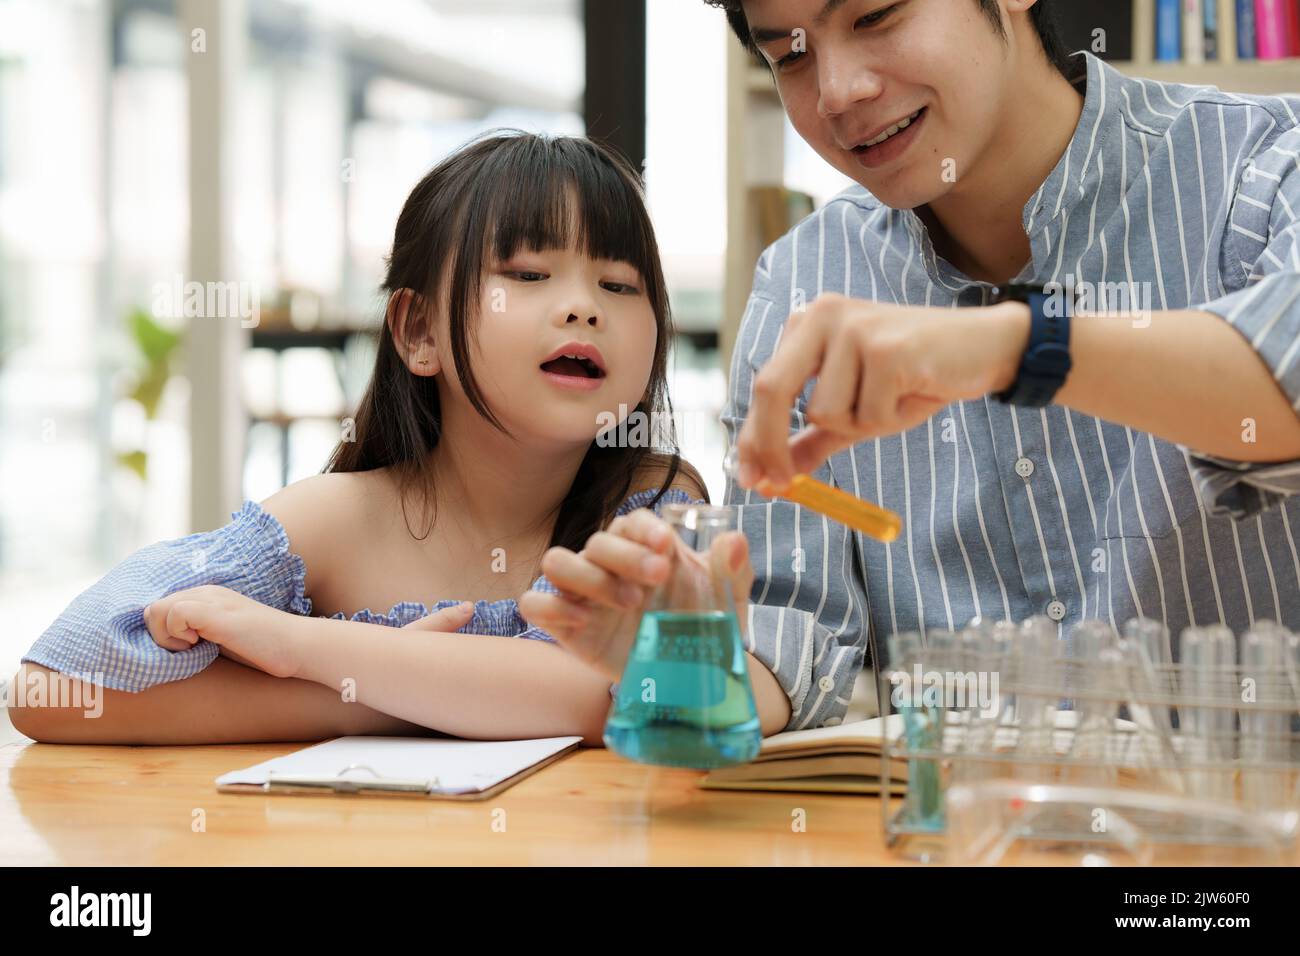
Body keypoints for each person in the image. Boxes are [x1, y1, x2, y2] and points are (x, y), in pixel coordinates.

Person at [527, 0, 1300, 733]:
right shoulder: (806, 281)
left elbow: (1283, 366)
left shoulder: (1257, 166)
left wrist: (1007, 346)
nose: (838, 92)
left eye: (875, 15)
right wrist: (676, 665)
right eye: (789, 55)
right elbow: (793, 643)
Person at [9, 132, 790, 745]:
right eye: (525, 275)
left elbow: (595, 694)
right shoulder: (340, 517)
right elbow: (53, 687)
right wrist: (361, 703)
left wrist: (308, 650)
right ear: (420, 330)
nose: (584, 307)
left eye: (620, 286)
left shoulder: (651, 497)